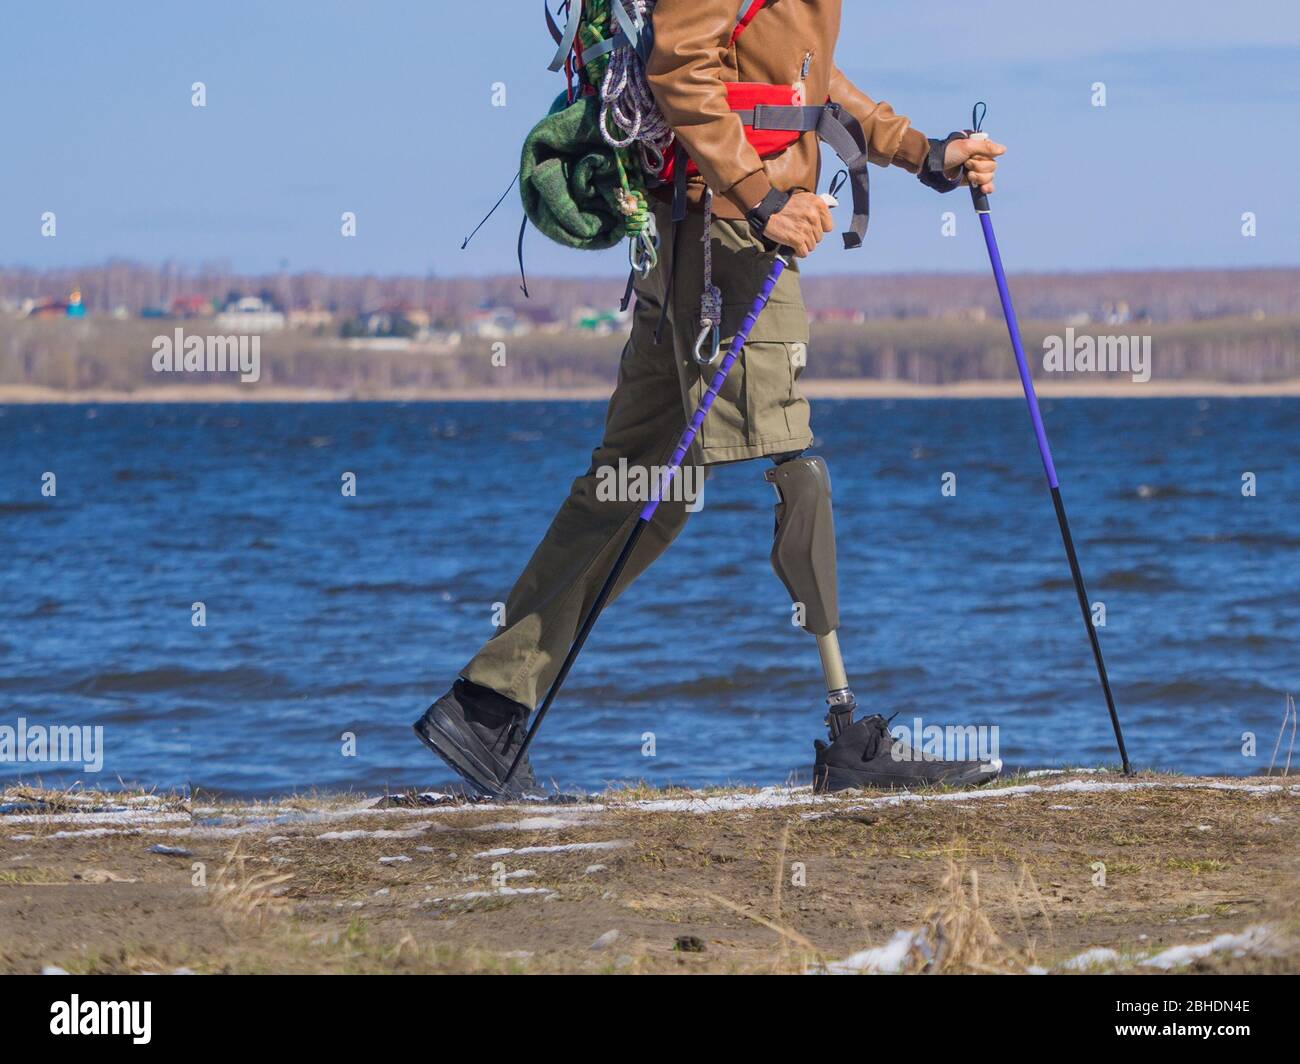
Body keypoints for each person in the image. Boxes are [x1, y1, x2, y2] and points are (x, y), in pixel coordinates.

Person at [415, 0, 1006, 797]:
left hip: (697, 239)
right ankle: (850, 742)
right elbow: (678, 68)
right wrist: (765, 198)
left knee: (641, 487)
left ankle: (485, 709)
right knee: (795, 464)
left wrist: (927, 153)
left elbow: (810, 83)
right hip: (731, 240)